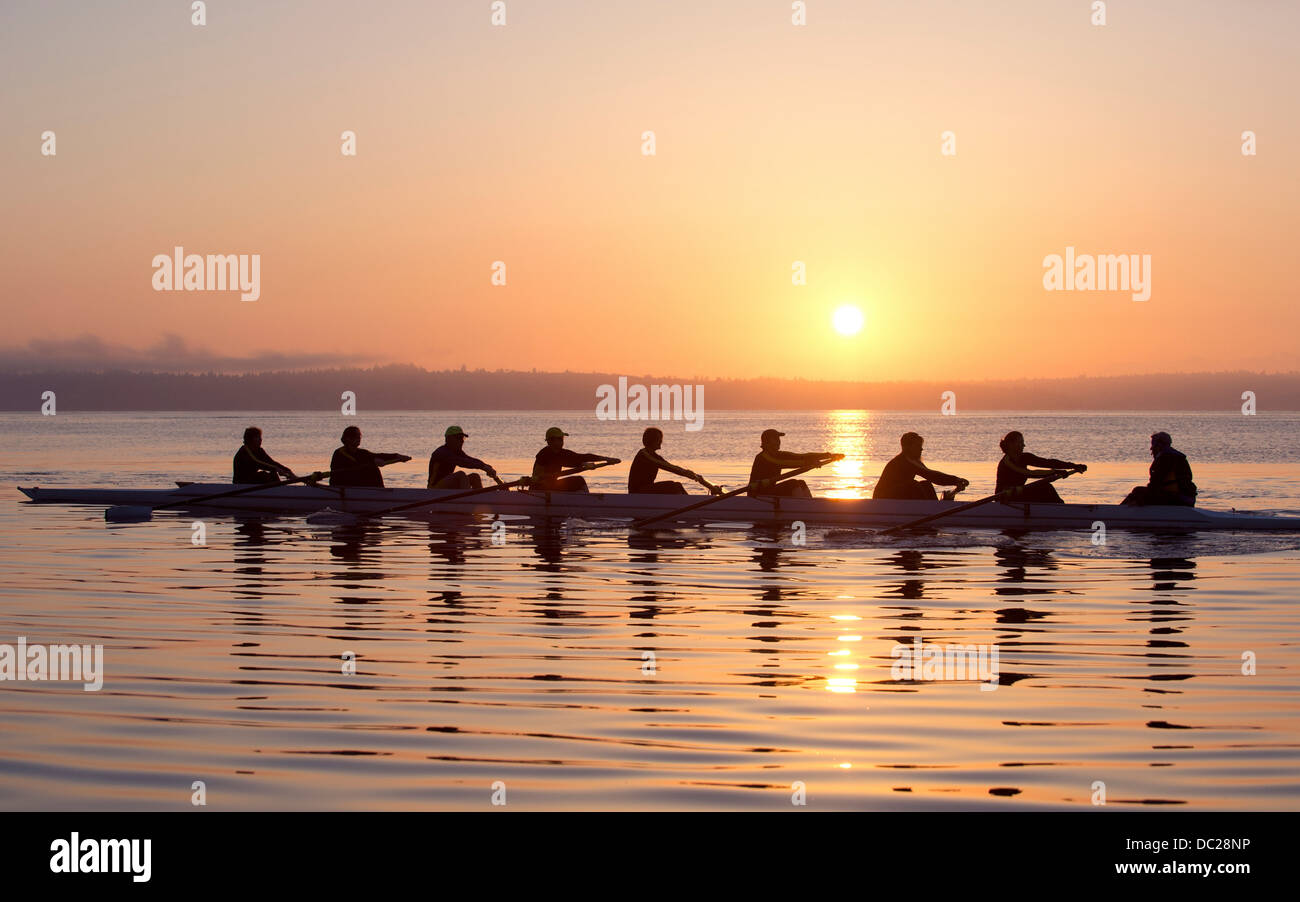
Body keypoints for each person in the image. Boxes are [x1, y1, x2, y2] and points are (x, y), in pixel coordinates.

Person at [747, 428, 842, 499]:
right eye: (775, 439)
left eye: (778, 439)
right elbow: (787, 463)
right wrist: (809, 463)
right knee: (793, 484)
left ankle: (810, 506)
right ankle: (802, 508)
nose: (779, 441)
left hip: (768, 492)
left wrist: (828, 455)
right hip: (757, 495)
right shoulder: (764, 457)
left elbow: (802, 456)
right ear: (767, 443)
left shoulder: (779, 454)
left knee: (801, 483)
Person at [995, 431, 1087, 503]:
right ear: (1011, 444)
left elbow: (1048, 463)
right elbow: (1031, 473)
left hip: (1018, 493)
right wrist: (1054, 472)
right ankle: (1061, 511)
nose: (1024, 445)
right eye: (1020, 442)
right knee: (1046, 488)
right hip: (1004, 497)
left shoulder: (1025, 457)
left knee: (1045, 488)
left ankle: (1058, 509)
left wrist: (1073, 465)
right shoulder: (1007, 462)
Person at [872, 432, 968, 500]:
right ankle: (931, 509)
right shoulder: (902, 462)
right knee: (914, 485)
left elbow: (931, 474)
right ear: (907, 447)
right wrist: (955, 480)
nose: (921, 449)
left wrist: (955, 480)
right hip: (882, 498)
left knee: (926, 484)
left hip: (896, 496)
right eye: (918, 446)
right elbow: (933, 476)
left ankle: (933, 507)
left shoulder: (913, 460)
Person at [629, 427, 721, 495]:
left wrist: (693, 475)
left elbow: (669, 465)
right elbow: (670, 468)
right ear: (653, 440)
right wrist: (686, 473)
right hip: (636, 493)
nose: (661, 441)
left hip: (645, 491)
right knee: (675, 486)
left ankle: (686, 503)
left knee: (676, 486)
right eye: (659, 439)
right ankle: (689, 505)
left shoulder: (654, 456)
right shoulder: (645, 455)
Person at [530, 427, 620, 493]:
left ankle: (581, 500)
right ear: (550, 441)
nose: (562, 441)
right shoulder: (544, 454)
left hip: (552, 486)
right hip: (540, 489)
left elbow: (582, 457)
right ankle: (586, 502)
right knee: (579, 480)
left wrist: (607, 459)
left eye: (562, 439)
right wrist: (583, 464)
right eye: (559, 439)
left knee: (578, 482)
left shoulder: (561, 453)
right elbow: (561, 462)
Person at [1122, 431, 1197, 506]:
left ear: (1159, 445)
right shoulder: (1176, 456)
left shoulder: (1166, 458)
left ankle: (1121, 511)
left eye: (1153, 445)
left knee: (1138, 491)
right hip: (1186, 498)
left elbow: (1156, 483)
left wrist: (1140, 498)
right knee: (1140, 492)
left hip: (1178, 499)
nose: (1151, 449)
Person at [328, 426, 410, 487]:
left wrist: (397, 456)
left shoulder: (362, 452)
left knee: (373, 469)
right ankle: (379, 495)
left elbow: (377, 456)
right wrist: (373, 462)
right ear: (347, 439)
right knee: (373, 469)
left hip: (356, 485)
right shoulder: (339, 453)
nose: (359, 438)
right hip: (341, 485)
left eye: (359, 436)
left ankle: (381, 493)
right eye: (356, 436)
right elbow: (352, 466)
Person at [428, 425, 503, 490]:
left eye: (462, 438)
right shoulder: (442, 452)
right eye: (458, 438)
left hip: (448, 486)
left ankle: (480, 500)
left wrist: (486, 466)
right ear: (448, 439)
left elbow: (469, 460)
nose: (462, 441)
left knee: (475, 477)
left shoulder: (457, 452)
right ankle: (469, 501)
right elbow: (463, 462)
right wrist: (483, 467)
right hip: (434, 488)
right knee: (461, 475)